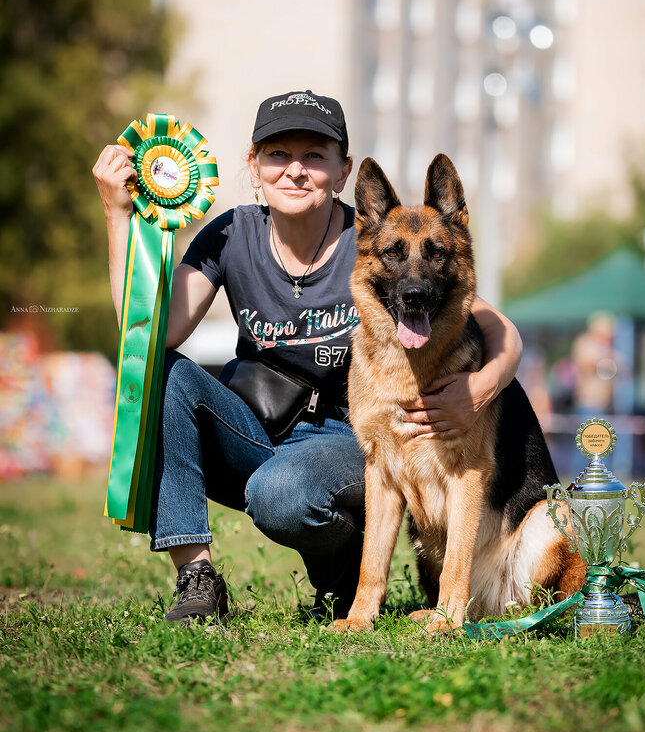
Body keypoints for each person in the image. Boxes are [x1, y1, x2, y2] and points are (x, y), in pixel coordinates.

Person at [92, 90, 523, 625]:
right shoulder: (230, 234)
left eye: (314, 156)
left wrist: (480, 388)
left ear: (342, 172)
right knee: (163, 374)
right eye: (278, 154)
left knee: (282, 493)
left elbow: (498, 328)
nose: (295, 170)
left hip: (339, 440)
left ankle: (344, 573)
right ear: (254, 166)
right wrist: (117, 215)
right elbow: (146, 335)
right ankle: (196, 578)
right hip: (254, 428)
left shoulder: (373, 239)